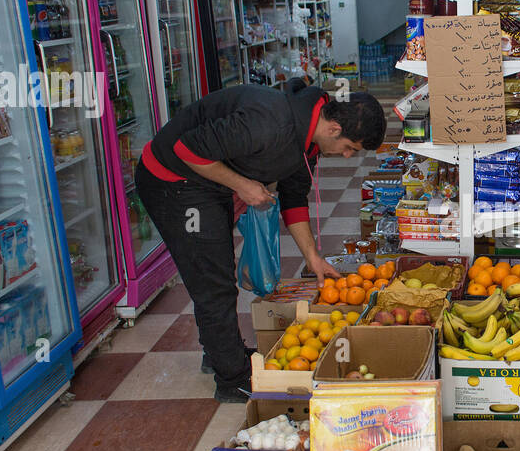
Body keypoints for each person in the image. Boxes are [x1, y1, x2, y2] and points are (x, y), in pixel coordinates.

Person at [134, 80, 386, 402]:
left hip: (206, 181)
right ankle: (232, 379)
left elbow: (294, 196)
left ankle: (221, 352)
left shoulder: (308, 137)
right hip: (173, 180)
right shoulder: (269, 123)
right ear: (334, 127)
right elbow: (187, 150)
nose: (349, 156)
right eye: (351, 147)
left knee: (215, 267)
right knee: (213, 278)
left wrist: (313, 257)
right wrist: (242, 185)